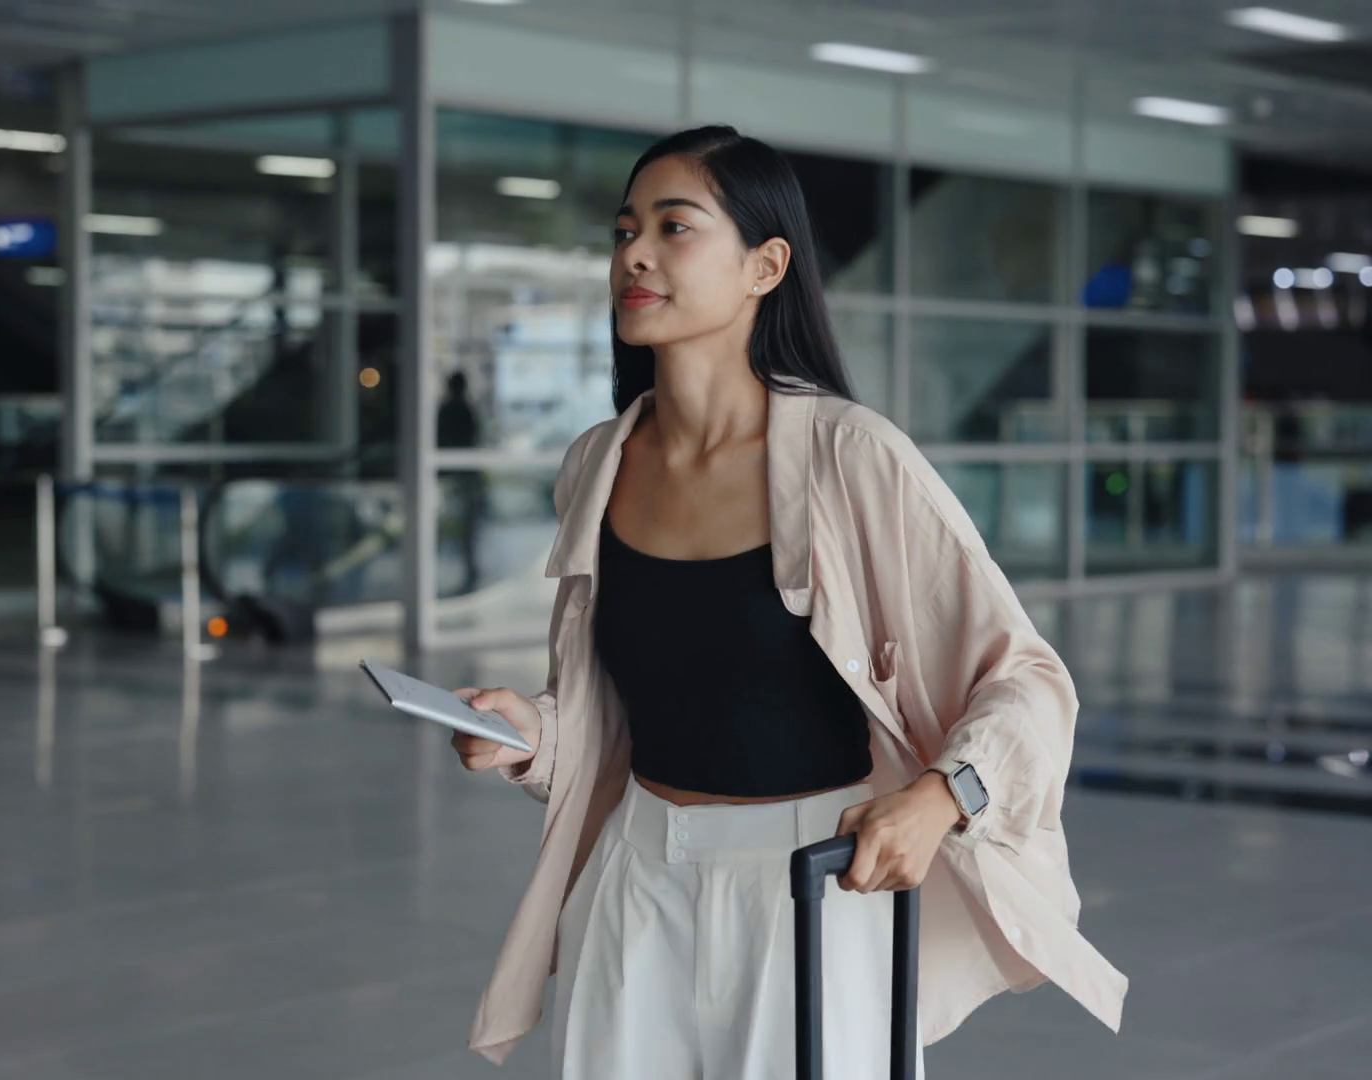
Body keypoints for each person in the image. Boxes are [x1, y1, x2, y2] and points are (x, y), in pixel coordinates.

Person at [449, 126, 1126, 1078]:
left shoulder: (855, 458)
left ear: (766, 266)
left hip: (814, 890)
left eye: (675, 227)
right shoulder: (596, 464)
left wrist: (942, 796)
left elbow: (1026, 679)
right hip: (635, 881)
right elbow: (629, 713)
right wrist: (530, 733)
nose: (634, 254)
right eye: (625, 230)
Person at [437, 370, 487, 593]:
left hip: (457, 476)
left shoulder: (450, 410)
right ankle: (468, 569)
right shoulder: (465, 410)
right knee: (467, 527)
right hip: (463, 476)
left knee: (464, 527)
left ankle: (467, 570)